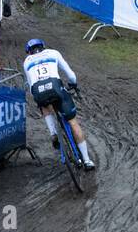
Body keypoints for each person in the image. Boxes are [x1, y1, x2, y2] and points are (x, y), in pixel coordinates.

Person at [23, 38, 93, 168]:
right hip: (56, 87)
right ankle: (87, 160)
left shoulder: (27, 61)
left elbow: (31, 85)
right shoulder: (53, 53)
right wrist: (73, 84)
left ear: (29, 52)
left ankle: (53, 133)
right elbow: (70, 75)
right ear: (43, 46)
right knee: (73, 122)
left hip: (39, 90)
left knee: (43, 106)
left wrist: (38, 99)